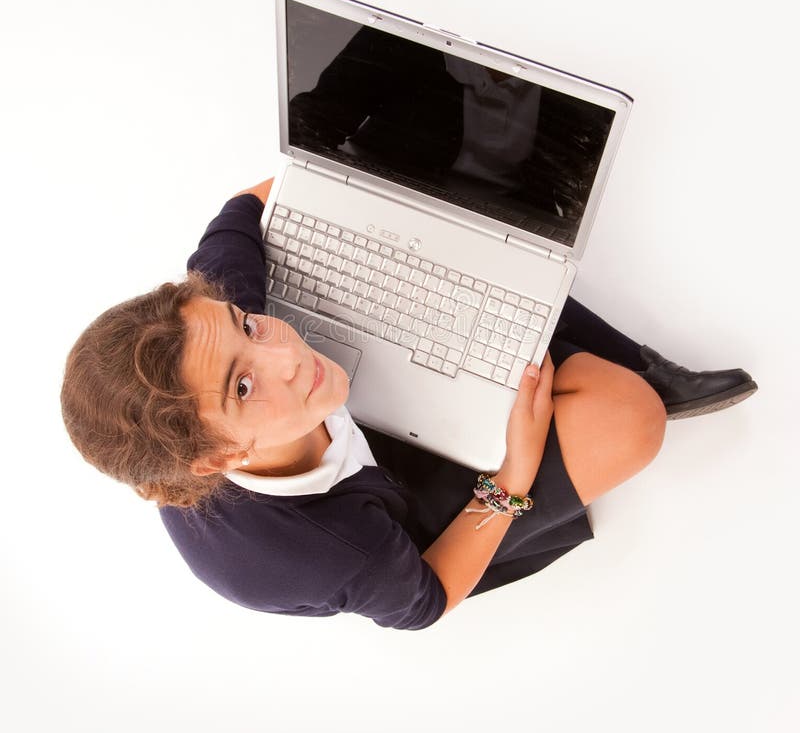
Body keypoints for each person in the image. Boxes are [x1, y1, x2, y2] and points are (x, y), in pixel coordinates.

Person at [60, 179, 757, 630]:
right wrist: (511, 476)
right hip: (417, 519)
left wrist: (372, 200)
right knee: (633, 418)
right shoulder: (322, 553)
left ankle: (626, 356)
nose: (286, 354)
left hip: (362, 414)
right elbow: (426, 597)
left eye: (248, 324)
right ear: (218, 457)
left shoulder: (213, 330)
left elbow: (249, 204)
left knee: (442, 254)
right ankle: (632, 381)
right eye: (243, 386)